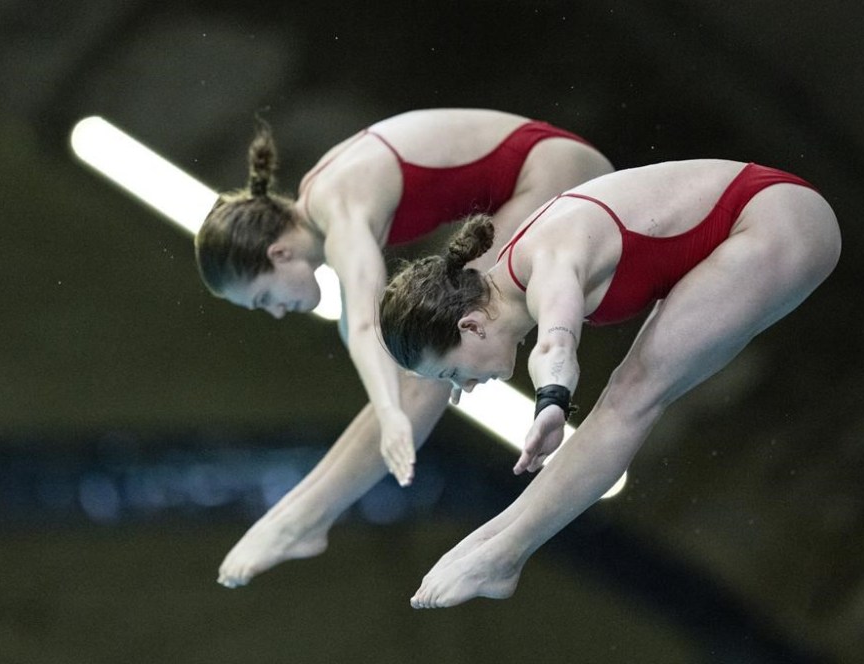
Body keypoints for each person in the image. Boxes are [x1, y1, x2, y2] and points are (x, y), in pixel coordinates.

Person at [378, 159, 841, 608]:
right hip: (758, 216)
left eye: (452, 374)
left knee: (631, 396)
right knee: (626, 396)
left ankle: (504, 554)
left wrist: (552, 402)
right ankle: (491, 540)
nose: (468, 387)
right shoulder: (516, 273)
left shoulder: (549, 259)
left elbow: (557, 346)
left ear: (472, 326)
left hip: (776, 218)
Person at [194, 108, 614, 588]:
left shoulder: (339, 204)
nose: (275, 312)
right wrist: (387, 406)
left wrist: (393, 410)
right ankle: (298, 512)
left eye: (265, 297)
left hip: (555, 171)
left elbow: (363, 327)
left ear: (279, 253)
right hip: (546, 167)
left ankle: (302, 519)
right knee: (420, 361)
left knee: (421, 368)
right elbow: (362, 326)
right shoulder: (327, 199)